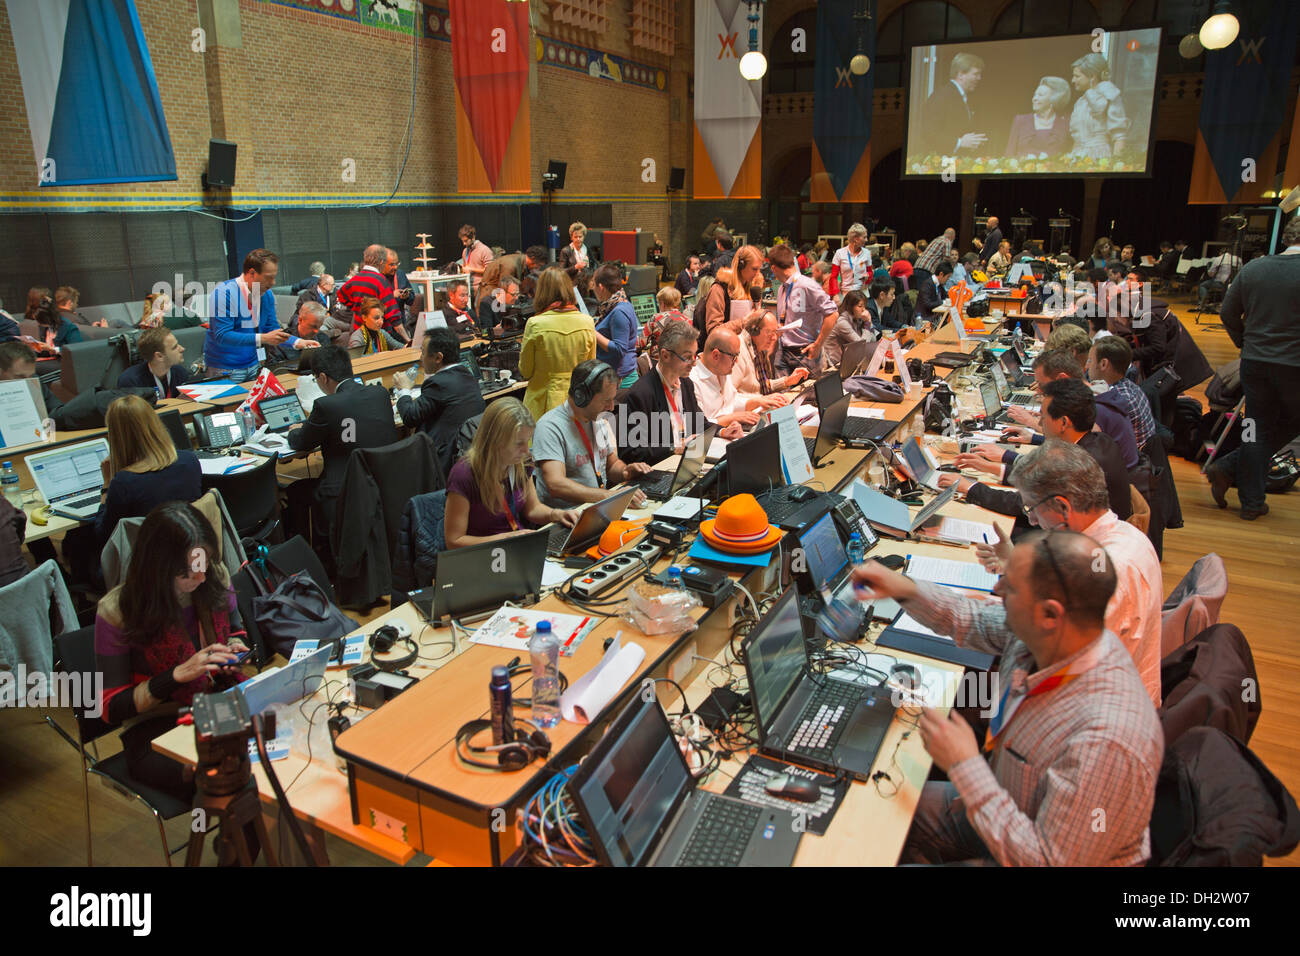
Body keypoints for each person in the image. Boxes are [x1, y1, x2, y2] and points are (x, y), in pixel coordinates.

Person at [853, 528, 1163, 865]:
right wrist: (902, 588)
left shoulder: (1108, 741)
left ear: (1050, 614)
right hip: (1011, 802)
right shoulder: (1057, 638)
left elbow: (1047, 861)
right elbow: (971, 618)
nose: (997, 590)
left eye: (1010, 588)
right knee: (872, 807)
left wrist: (964, 766)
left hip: (1031, 851)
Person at [95, 502, 252, 809]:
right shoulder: (118, 611)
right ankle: (236, 851)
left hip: (215, 703)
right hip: (155, 730)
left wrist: (235, 646)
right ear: (157, 569)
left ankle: (240, 848)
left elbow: (236, 630)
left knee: (268, 760)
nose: (200, 579)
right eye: (187, 574)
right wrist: (176, 676)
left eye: (204, 567)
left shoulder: (212, 575)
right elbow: (110, 707)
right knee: (235, 779)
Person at [1207, 219, 1300, 520]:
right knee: (1281, 426)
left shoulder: (1254, 268)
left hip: (1255, 362)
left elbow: (1227, 313)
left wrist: (1245, 342)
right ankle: (1237, 478)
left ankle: (1247, 495)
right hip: (1294, 365)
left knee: (1254, 428)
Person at [286, 346, 399, 563]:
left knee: (295, 490)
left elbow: (302, 442)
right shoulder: (380, 393)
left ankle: (313, 562)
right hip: (383, 479)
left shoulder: (326, 405)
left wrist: (294, 431)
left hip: (345, 489)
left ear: (322, 377)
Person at [444, 398, 578, 549]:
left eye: (527, 442)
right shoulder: (464, 474)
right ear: (494, 441)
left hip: (516, 547)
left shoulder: (521, 463)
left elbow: (532, 509)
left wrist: (556, 515)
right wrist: (505, 539)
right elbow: (454, 541)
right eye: (518, 443)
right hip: (484, 555)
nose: (526, 451)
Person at [616, 319, 741, 465]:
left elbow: (697, 422)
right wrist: (673, 448)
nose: (694, 363)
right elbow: (630, 452)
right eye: (687, 357)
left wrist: (723, 431)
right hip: (660, 468)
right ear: (665, 355)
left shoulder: (686, 383)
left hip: (685, 461)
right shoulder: (640, 394)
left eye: (695, 356)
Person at [532, 361, 653, 509]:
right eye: (606, 401)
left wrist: (625, 471)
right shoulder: (550, 427)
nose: (611, 407)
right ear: (581, 396)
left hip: (597, 508)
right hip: (565, 516)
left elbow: (611, 464)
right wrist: (609, 496)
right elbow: (555, 484)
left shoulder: (598, 419)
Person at [93, 395, 202, 549]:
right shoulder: (189, 460)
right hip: (189, 551)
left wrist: (106, 486)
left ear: (116, 436)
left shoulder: (124, 482)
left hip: (148, 566)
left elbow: (104, 536)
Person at [392, 327, 485, 479]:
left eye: (423, 352)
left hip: (444, 460)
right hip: (470, 453)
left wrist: (404, 390)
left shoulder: (438, 383)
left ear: (438, 358)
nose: (420, 358)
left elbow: (410, 417)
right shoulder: (466, 374)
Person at [519, 267, 597, 422]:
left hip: (541, 406)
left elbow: (525, 371)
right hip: (577, 404)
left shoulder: (535, 324)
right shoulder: (587, 322)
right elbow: (590, 369)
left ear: (541, 291)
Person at [205, 248, 293, 383]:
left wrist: (298, 342)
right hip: (225, 368)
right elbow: (222, 335)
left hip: (254, 365)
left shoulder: (266, 295)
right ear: (252, 273)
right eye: (269, 277)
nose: (273, 283)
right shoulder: (224, 293)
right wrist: (263, 338)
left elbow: (272, 328)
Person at [771, 243, 836, 376]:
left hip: (805, 353)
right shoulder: (782, 288)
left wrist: (818, 345)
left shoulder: (807, 285)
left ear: (773, 268)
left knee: (807, 396)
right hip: (783, 350)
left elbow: (833, 314)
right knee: (782, 396)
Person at [689, 327, 770, 429]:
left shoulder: (720, 370)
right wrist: (732, 418)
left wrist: (758, 401)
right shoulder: (692, 381)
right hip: (711, 439)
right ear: (716, 355)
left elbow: (731, 401)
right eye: (733, 357)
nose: (736, 362)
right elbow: (697, 426)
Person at [1088, 335, 1156, 450]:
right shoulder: (1133, 387)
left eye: (1090, 361)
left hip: (1128, 464)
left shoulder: (1113, 401)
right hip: (1143, 458)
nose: (1087, 366)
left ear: (1103, 364)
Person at [338, 245, 407, 342]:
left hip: (358, 333)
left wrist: (359, 308)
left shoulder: (355, 279)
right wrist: (408, 339)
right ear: (381, 262)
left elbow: (341, 296)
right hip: (378, 336)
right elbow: (393, 315)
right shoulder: (380, 280)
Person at [734, 308, 806, 399]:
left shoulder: (758, 349)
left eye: (775, 332)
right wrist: (762, 400)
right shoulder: (738, 351)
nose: (774, 338)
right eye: (769, 333)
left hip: (763, 408)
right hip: (751, 411)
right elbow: (730, 397)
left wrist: (787, 381)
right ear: (754, 330)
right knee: (791, 412)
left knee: (798, 410)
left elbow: (762, 386)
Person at [924, 52, 987, 157]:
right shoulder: (942, 96)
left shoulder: (963, 98)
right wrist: (960, 142)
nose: (979, 78)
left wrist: (973, 142)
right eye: (976, 74)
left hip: (957, 164)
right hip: (945, 166)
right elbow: (929, 133)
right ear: (960, 74)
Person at [1068, 53, 1129, 159]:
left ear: (1092, 76)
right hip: (1077, 158)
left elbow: (1119, 136)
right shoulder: (1080, 102)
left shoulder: (1110, 95)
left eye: (1077, 76)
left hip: (1100, 157)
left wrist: (1116, 164)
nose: (1073, 80)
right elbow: (1077, 138)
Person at [591, 263, 640, 388]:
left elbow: (619, 348)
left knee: (622, 408)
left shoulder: (619, 311)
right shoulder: (618, 304)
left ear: (601, 287)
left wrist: (592, 331)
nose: (592, 289)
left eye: (593, 285)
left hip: (622, 381)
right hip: (616, 377)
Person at [703, 245, 764, 338]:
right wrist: (744, 322)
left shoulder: (754, 288)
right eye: (754, 269)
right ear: (741, 266)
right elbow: (713, 331)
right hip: (724, 349)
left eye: (759, 269)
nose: (758, 273)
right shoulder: (719, 289)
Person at [116, 327, 191, 398]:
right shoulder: (131, 382)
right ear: (159, 356)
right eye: (174, 347)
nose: (182, 349)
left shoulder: (180, 372)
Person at [1004, 78, 1070, 159]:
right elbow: (1009, 153)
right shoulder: (1020, 120)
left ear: (1054, 99)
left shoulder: (1065, 122)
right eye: (1034, 95)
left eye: (1040, 95)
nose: (1034, 99)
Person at [0, 341, 64, 418]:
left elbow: (57, 410)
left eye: (30, 376)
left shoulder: (32, 380)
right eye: (19, 377)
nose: (26, 383)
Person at [823, 291, 874, 370]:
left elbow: (873, 340)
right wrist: (867, 323)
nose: (864, 310)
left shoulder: (857, 318)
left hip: (848, 361)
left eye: (865, 306)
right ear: (850, 307)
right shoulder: (842, 322)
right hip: (834, 364)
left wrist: (869, 323)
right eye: (860, 306)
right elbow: (861, 345)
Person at [641, 286, 689, 362]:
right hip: (681, 364)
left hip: (660, 364)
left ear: (662, 304)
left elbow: (640, 343)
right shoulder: (687, 320)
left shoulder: (655, 319)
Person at [829, 224, 873, 297]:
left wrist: (868, 276)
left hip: (862, 294)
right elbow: (834, 276)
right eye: (864, 237)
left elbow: (870, 272)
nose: (866, 240)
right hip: (845, 294)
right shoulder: (839, 253)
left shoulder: (867, 253)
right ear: (856, 238)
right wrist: (835, 294)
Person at [476, 271, 519, 336]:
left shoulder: (516, 301)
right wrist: (497, 330)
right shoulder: (487, 304)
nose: (516, 298)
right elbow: (484, 331)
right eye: (513, 294)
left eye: (517, 294)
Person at [457, 224, 494, 297]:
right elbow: (466, 268)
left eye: (466, 241)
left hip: (481, 289)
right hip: (468, 288)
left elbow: (490, 271)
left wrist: (471, 269)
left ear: (473, 237)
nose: (464, 243)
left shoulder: (485, 250)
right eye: (462, 241)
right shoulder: (465, 251)